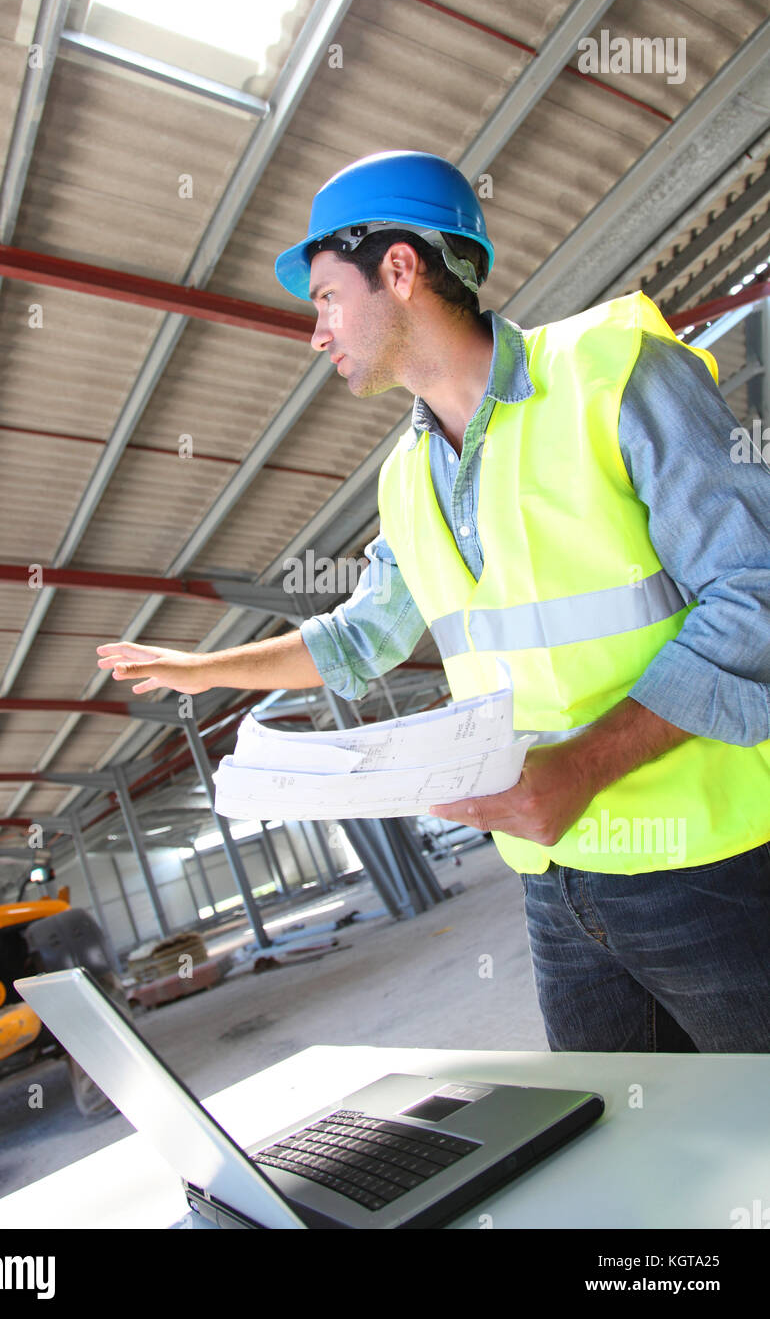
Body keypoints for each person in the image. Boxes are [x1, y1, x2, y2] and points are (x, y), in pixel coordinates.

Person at [98, 150, 770, 1053]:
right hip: (554, 879)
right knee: (629, 1161)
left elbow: (754, 592)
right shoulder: (408, 475)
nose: (317, 331)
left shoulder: (611, 373)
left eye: (328, 298)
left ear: (401, 269)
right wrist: (201, 669)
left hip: (709, 863)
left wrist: (580, 768)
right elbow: (359, 638)